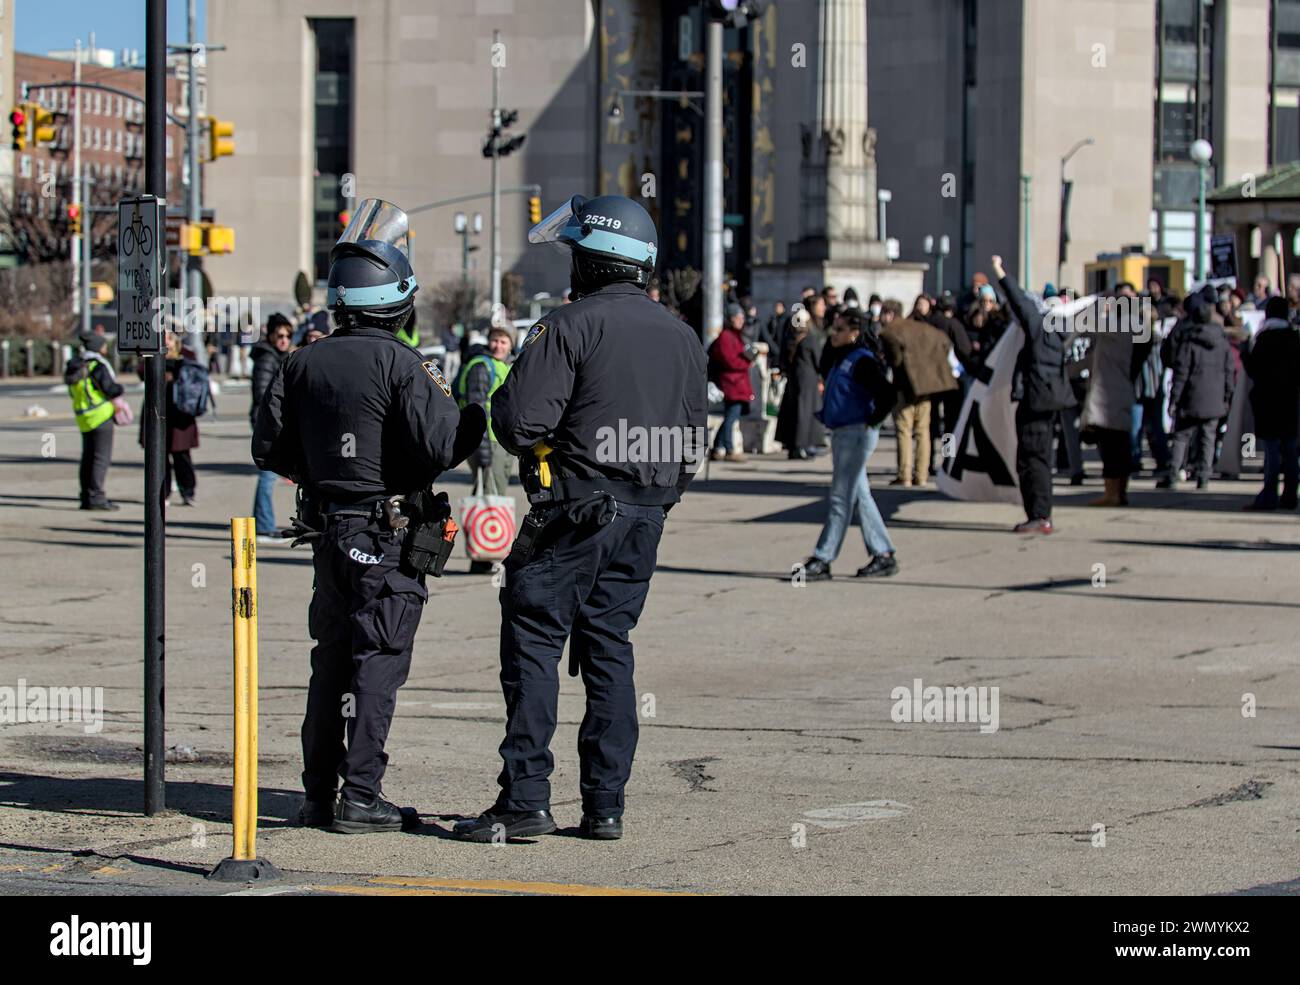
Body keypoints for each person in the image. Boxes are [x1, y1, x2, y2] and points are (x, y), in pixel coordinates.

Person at [453, 193, 707, 843]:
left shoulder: (567, 326)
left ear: (592, 261)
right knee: (610, 648)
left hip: (574, 510)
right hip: (646, 514)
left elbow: (516, 422)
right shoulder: (683, 337)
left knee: (535, 641)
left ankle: (527, 796)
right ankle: (605, 804)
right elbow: (689, 446)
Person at [253, 199, 486, 833]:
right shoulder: (405, 364)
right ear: (399, 302)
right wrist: (474, 408)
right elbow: (442, 445)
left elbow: (267, 447)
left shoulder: (302, 361)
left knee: (330, 660)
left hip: (329, 533)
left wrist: (325, 477)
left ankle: (316, 795)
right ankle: (361, 795)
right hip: (387, 537)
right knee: (378, 660)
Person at [798, 308, 898, 581]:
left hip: (856, 433)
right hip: (845, 433)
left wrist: (871, 422)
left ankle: (823, 557)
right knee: (859, 495)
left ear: (854, 333)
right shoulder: (844, 357)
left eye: (841, 329)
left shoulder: (862, 361)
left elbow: (888, 394)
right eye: (834, 327)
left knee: (841, 498)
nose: (834, 333)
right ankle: (883, 553)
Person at [991, 253, 1072, 534]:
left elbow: (1020, 302)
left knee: (1032, 459)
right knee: (1039, 458)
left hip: (1035, 399)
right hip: (1048, 398)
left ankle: (1039, 515)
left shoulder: (1040, 329)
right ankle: (1040, 512)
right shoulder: (1059, 334)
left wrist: (1000, 272)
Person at [1079, 286, 1147, 506]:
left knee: (1110, 446)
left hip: (1107, 394)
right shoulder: (1139, 331)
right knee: (1121, 445)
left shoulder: (1116, 329)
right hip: (1123, 389)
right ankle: (1121, 491)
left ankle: (1112, 493)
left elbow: (1087, 321)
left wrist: (1101, 303)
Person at [880, 295, 957, 486]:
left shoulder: (891, 331)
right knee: (923, 430)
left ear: (889, 314)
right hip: (927, 385)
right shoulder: (922, 328)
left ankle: (904, 474)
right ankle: (921, 475)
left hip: (904, 386)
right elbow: (944, 342)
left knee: (904, 429)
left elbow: (895, 361)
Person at [1164, 286, 1236, 490]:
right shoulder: (1222, 342)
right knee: (1208, 438)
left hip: (1191, 396)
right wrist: (1228, 395)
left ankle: (1173, 474)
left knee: (1181, 437)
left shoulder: (1189, 341)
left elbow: (1181, 373)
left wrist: (1174, 399)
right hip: (1214, 397)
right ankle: (1204, 476)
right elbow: (1229, 371)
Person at [1244, 296, 1300, 510]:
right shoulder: (1294, 338)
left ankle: (1269, 496)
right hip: (1288, 401)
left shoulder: (1264, 339)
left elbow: (1255, 370)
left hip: (1268, 401)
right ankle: (1290, 495)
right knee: (1290, 450)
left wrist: (1246, 354)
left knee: (1272, 452)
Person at [65, 333, 130, 511]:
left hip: (83, 417)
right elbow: (111, 389)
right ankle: (97, 496)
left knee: (87, 458)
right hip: (101, 415)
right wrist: (121, 389)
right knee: (101, 458)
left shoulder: (76, 365)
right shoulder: (97, 366)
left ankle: (86, 496)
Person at [456, 323, 515, 497]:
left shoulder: (504, 365)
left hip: (501, 441)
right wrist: (483, 451)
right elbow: (477, 409)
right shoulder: (481, 367)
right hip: (488, 442)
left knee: (495, 494)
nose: (498, 346)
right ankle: (484, 526)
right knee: (489, 498)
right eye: (494, 340)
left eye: (503, 342)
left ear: (511, 344)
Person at [249, 314, 294, 542]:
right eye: (280, 335)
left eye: (288, 335)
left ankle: (262, 522)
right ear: (271, 335)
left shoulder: (276, 355)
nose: (284, 340)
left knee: (269, 475)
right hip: (267, 422)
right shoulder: (267, 358)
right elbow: (263, 394)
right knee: (267, 475)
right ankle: (264, 526)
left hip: (270, 420)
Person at [775, 306, 824, 458]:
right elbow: (819, 361)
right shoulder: (810, 339)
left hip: (793, 378)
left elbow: (782, 359)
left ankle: (792, 445)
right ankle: (803, 445)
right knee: (805, 413)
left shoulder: (789, 338)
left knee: (792, 411)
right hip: (808, 380)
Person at [709, 302, 755, 461]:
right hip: (732, 382)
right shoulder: (726, 337)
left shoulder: (735, 335)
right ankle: (728, 449)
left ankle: (717, 447)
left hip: (737, 383)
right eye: (738, 317)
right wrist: (747, 362)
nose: (741, 320)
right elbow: (730, 361)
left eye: (742, 317)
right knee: (731, 417)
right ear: (730, 319)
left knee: (731, 416)